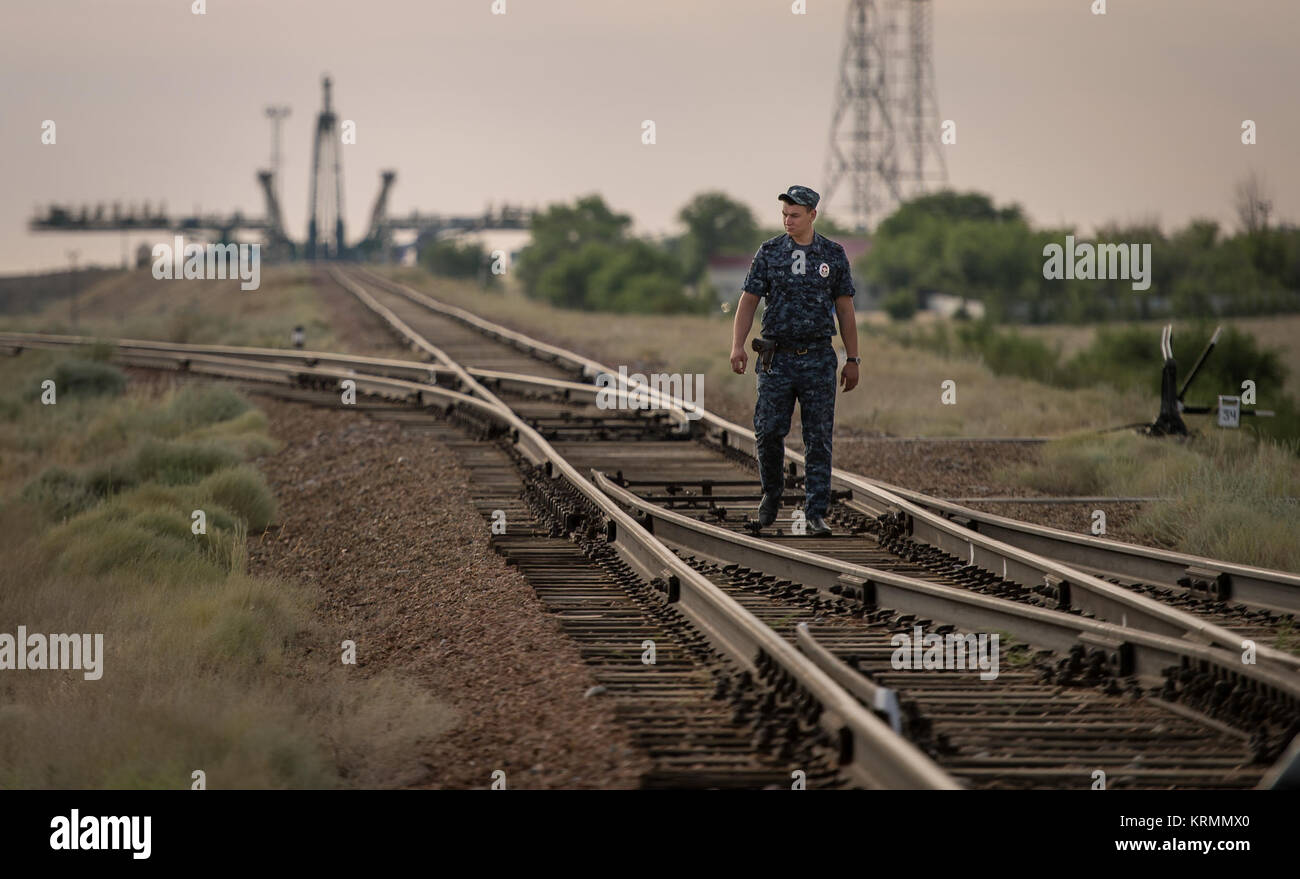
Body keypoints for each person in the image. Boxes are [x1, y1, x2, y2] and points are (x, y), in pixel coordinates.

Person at [728, 185, 859, 536]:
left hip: (818, 357)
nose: (788, 220)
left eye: (795, 215)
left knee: (818, 438)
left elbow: (845, 308)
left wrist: (853, 358)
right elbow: (749, 301)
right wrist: (737, 345)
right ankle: (771, 494)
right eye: (784, 214)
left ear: (812, 215)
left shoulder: (833, 254)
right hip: (776, 358)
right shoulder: (769, 252)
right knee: (769, 431)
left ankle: (815, 512)